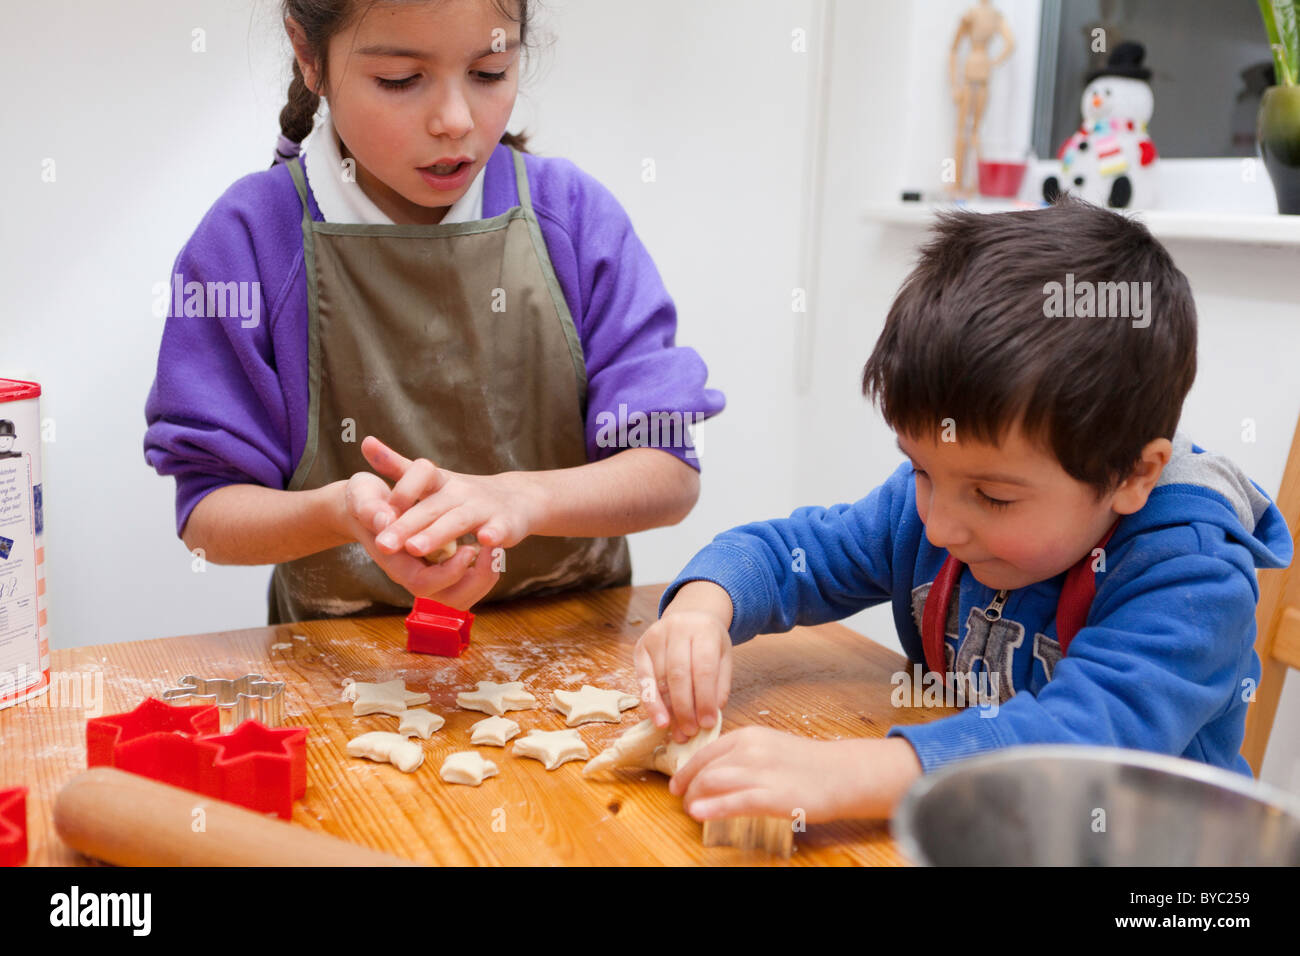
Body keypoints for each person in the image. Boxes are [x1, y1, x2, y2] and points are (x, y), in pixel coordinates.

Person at [636, 197, 1292, 824]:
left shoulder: (1192, 578)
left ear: (1133, 474)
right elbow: (792, 555)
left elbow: (1082, 745)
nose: (940, 526)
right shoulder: (938, 502)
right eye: (922, 470)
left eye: (993, 497)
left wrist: (848, 775)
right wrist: (704, 608)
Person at [144, 0, 723, 623]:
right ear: (309, 56)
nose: (455, 120)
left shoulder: (572, 217)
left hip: (574, 646)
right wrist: (340, 512)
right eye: (400, 79)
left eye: (490, 72)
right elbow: (208, 520)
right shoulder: (249, 240)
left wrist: (523, 496)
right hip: (345, 668)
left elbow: (668, 472)